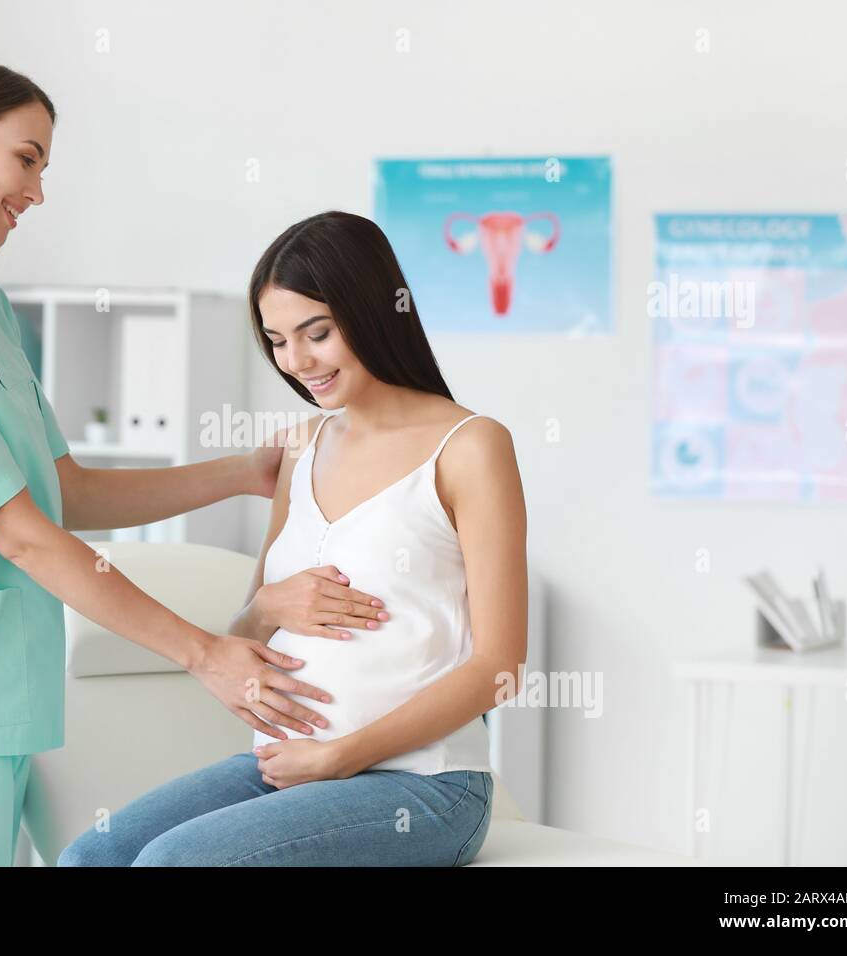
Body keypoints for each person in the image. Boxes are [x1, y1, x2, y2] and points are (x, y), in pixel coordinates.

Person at [0, 57, 342, 866]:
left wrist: (243, 471)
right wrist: (204, 653)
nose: (38, 191)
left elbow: (65, 489)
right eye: (26, 158)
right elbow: (24, 535)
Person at [59, 211, 529, 866]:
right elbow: (246, 636)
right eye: (277, 340)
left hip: (423, 785)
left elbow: (500, 668)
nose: (296, 361)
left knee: (174, 863)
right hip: (287, 767)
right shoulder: (300, 448)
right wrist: (267, 608)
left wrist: (342, 755)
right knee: (92, 858)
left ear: (373, 312)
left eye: (317, 333)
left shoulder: (471, 447)